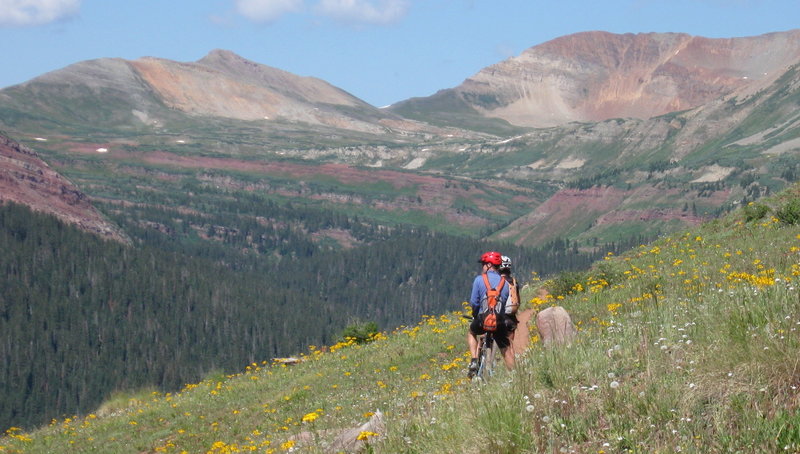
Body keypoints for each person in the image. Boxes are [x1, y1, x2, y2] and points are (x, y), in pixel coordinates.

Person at [467, 251, 514, 376]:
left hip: (483, 319)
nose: (482, 266)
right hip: (499, 321)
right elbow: (504, 305)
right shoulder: (505, 283)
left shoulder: (479, 280)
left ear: (488, 265)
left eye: (483, 264)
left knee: (471, 332)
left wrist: (475, 315)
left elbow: (474, 303)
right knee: (506, 349)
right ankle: (514, 375)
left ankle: (474, 360)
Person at [499, 255, 521, 343]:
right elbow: (518, 300)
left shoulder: (496, 281)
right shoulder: (514, 282)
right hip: (511, 318)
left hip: (498, 317)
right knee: (510, 345)